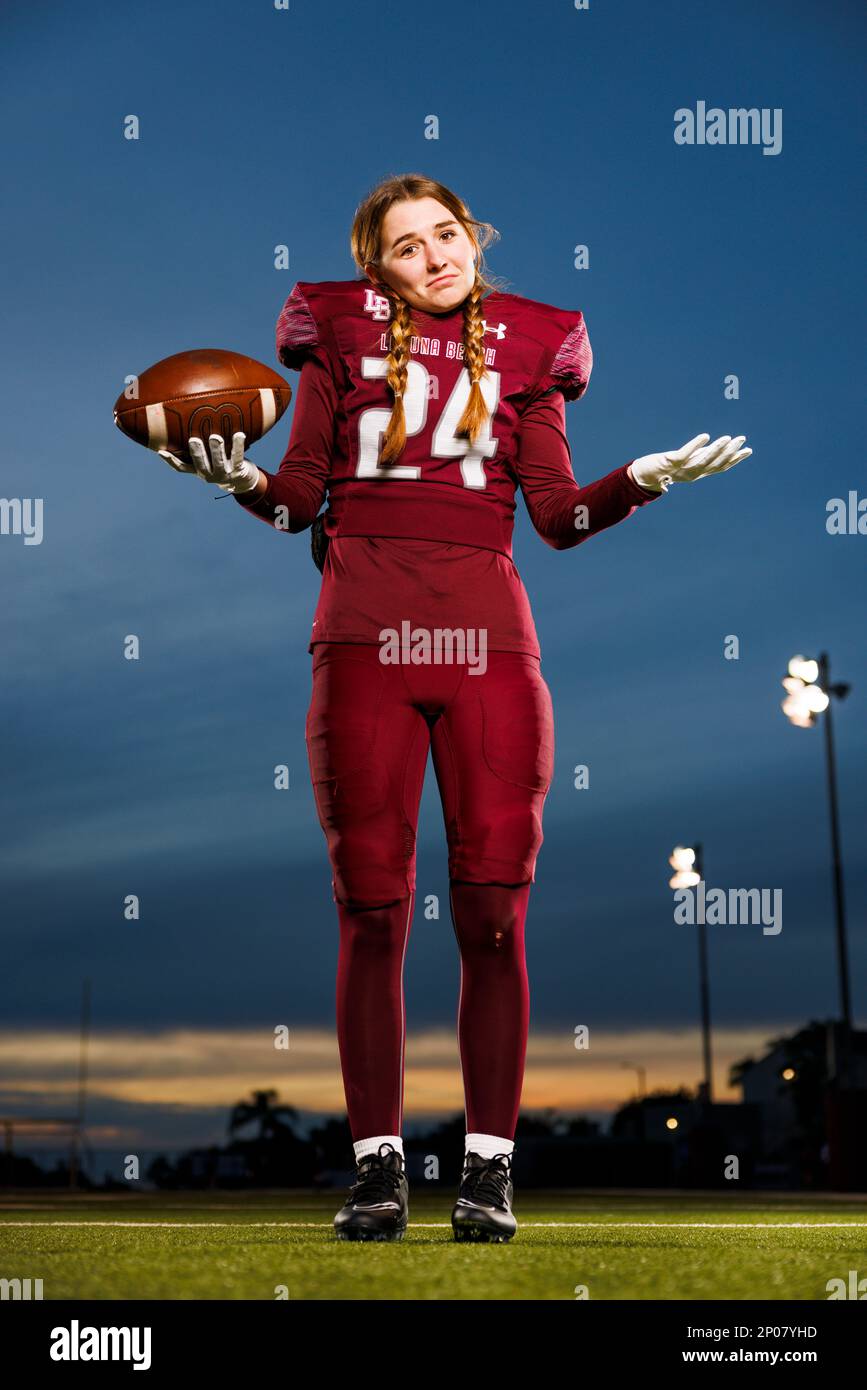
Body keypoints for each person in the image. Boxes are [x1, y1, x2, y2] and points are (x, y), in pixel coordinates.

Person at [160, 173, 751, 1243]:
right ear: (372, 270)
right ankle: (379, 1172)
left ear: (473, 237)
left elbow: (561, 518)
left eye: (445, 234)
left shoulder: (534, 343)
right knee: (374, 915)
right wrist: (238, 480)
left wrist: (642, 478)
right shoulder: (335, 336)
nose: (433, 256)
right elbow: (296, 500)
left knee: (491, 916)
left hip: (490, 647)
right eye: (403, 247)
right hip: (362, 645)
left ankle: (488, 1173)